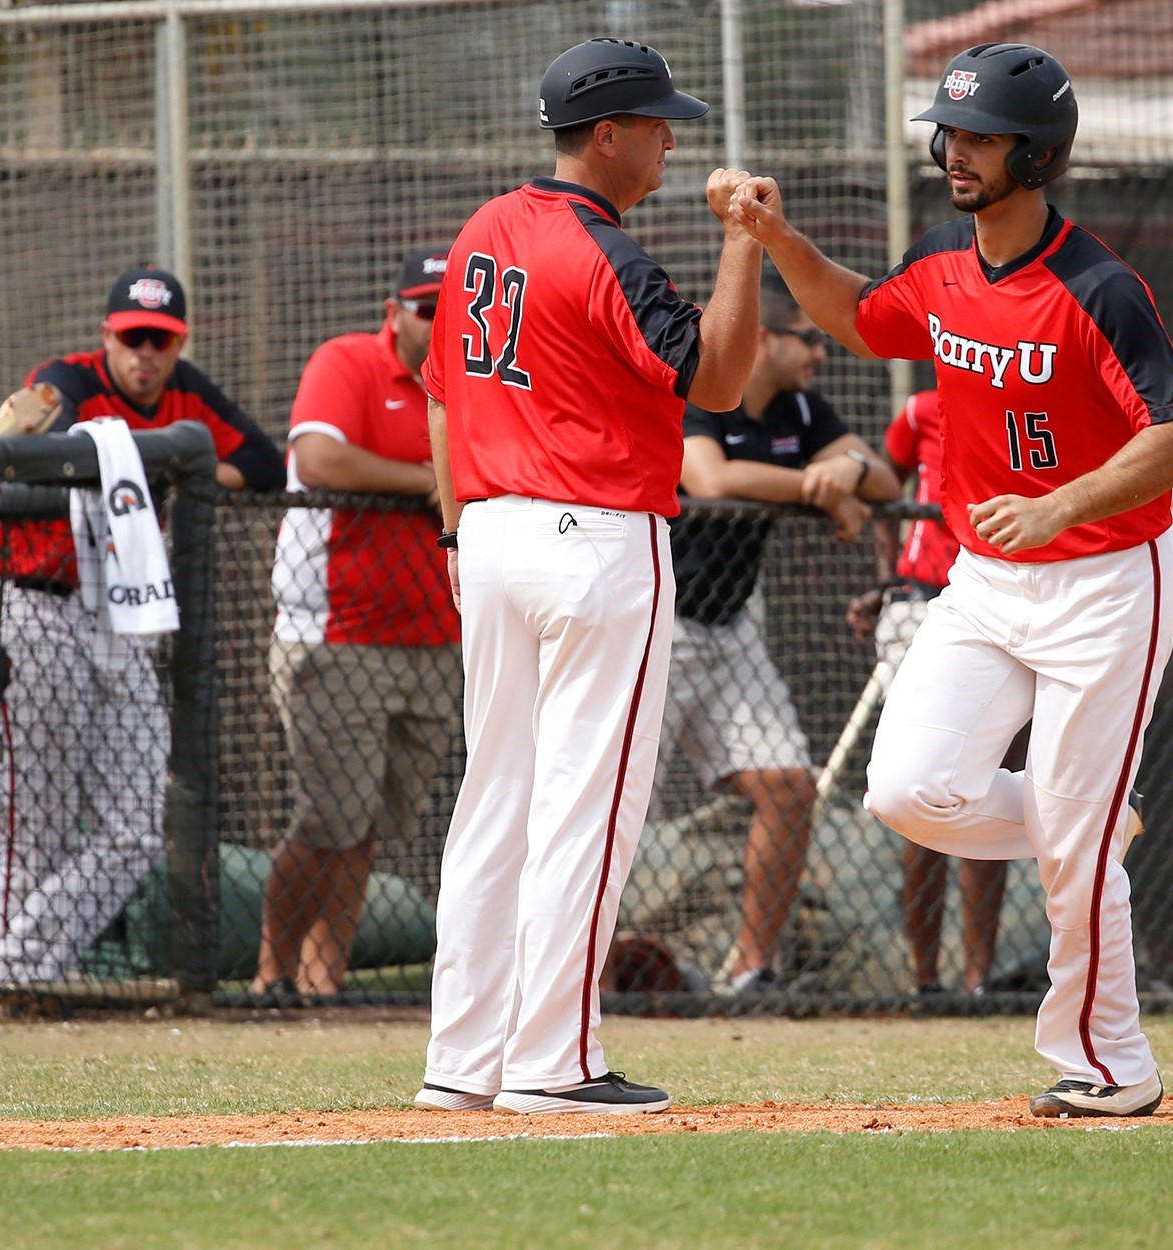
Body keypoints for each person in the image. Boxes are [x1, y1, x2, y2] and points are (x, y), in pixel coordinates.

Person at [731, 42, 1173, 1118]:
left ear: (1036, 153)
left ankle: (1110, 1063)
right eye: (951, 132)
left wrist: (1060, 502)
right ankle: (1084, 820)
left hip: (1103, 581)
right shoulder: (943, 258)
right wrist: (777, 240)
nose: (954, 151)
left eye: (981, 136)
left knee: (1074, 843)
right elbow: (863, 315)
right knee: (906, 788)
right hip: (988, 580)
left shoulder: (1099, 285)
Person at [414, 37, 763, 1117]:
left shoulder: (485, 228)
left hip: (491, 536)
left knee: (495, 803)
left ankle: (460, 1062)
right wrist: (744, 241)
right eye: (656, 123)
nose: (670, 139)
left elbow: (439, 390)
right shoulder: (605, 252)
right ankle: (554, 1062)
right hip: (595, 538)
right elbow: (722, 376)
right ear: (603, 135)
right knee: (587, 806)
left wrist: (455, 535)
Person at [0, 264, 285, 984]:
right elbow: (47, 451)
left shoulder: (188, 392)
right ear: (107, 336)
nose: (146, 354)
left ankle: (15, 969)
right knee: (41, 818)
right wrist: (161, 472)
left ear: (178, 341)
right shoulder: (71, 379)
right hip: (41, 606)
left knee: (136, 827)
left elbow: (264, 462)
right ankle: (23, 981)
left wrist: (179, 474)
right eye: (134, 338)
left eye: (160, 339)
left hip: (124, 618)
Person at [666, 274, 901, 995]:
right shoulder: (702, 391)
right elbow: (707, 478)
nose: (818, 352)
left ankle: (751, 969)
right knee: (609, 811)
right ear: (762, 338)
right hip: (652, 624)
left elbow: (885, 482)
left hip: (729, 628)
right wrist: (811, 486)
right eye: (806, 336)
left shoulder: (800, 406)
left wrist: (847, 470)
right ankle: (575, 975)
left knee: (791, 787)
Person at [254, 247, 461, 1003]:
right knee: (332, 817)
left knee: (371, 824)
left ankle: (323, 980)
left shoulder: (473, 378)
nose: (439, 324)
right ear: (395, 314)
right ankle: (270, 972)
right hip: (335, 637)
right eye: (425, 310)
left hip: (438, 640)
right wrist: (427, 482)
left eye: (450, 310)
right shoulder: (349, 362)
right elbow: (319, 459)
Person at [844, 390, 1012, 998]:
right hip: (920, 605)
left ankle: (978, 982)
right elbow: (886, 487)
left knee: (987, 787)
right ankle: (925, 982)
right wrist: (889, 578)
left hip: (1002, 602)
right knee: (917, 788)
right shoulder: (920, 409)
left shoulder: (1020, 394)